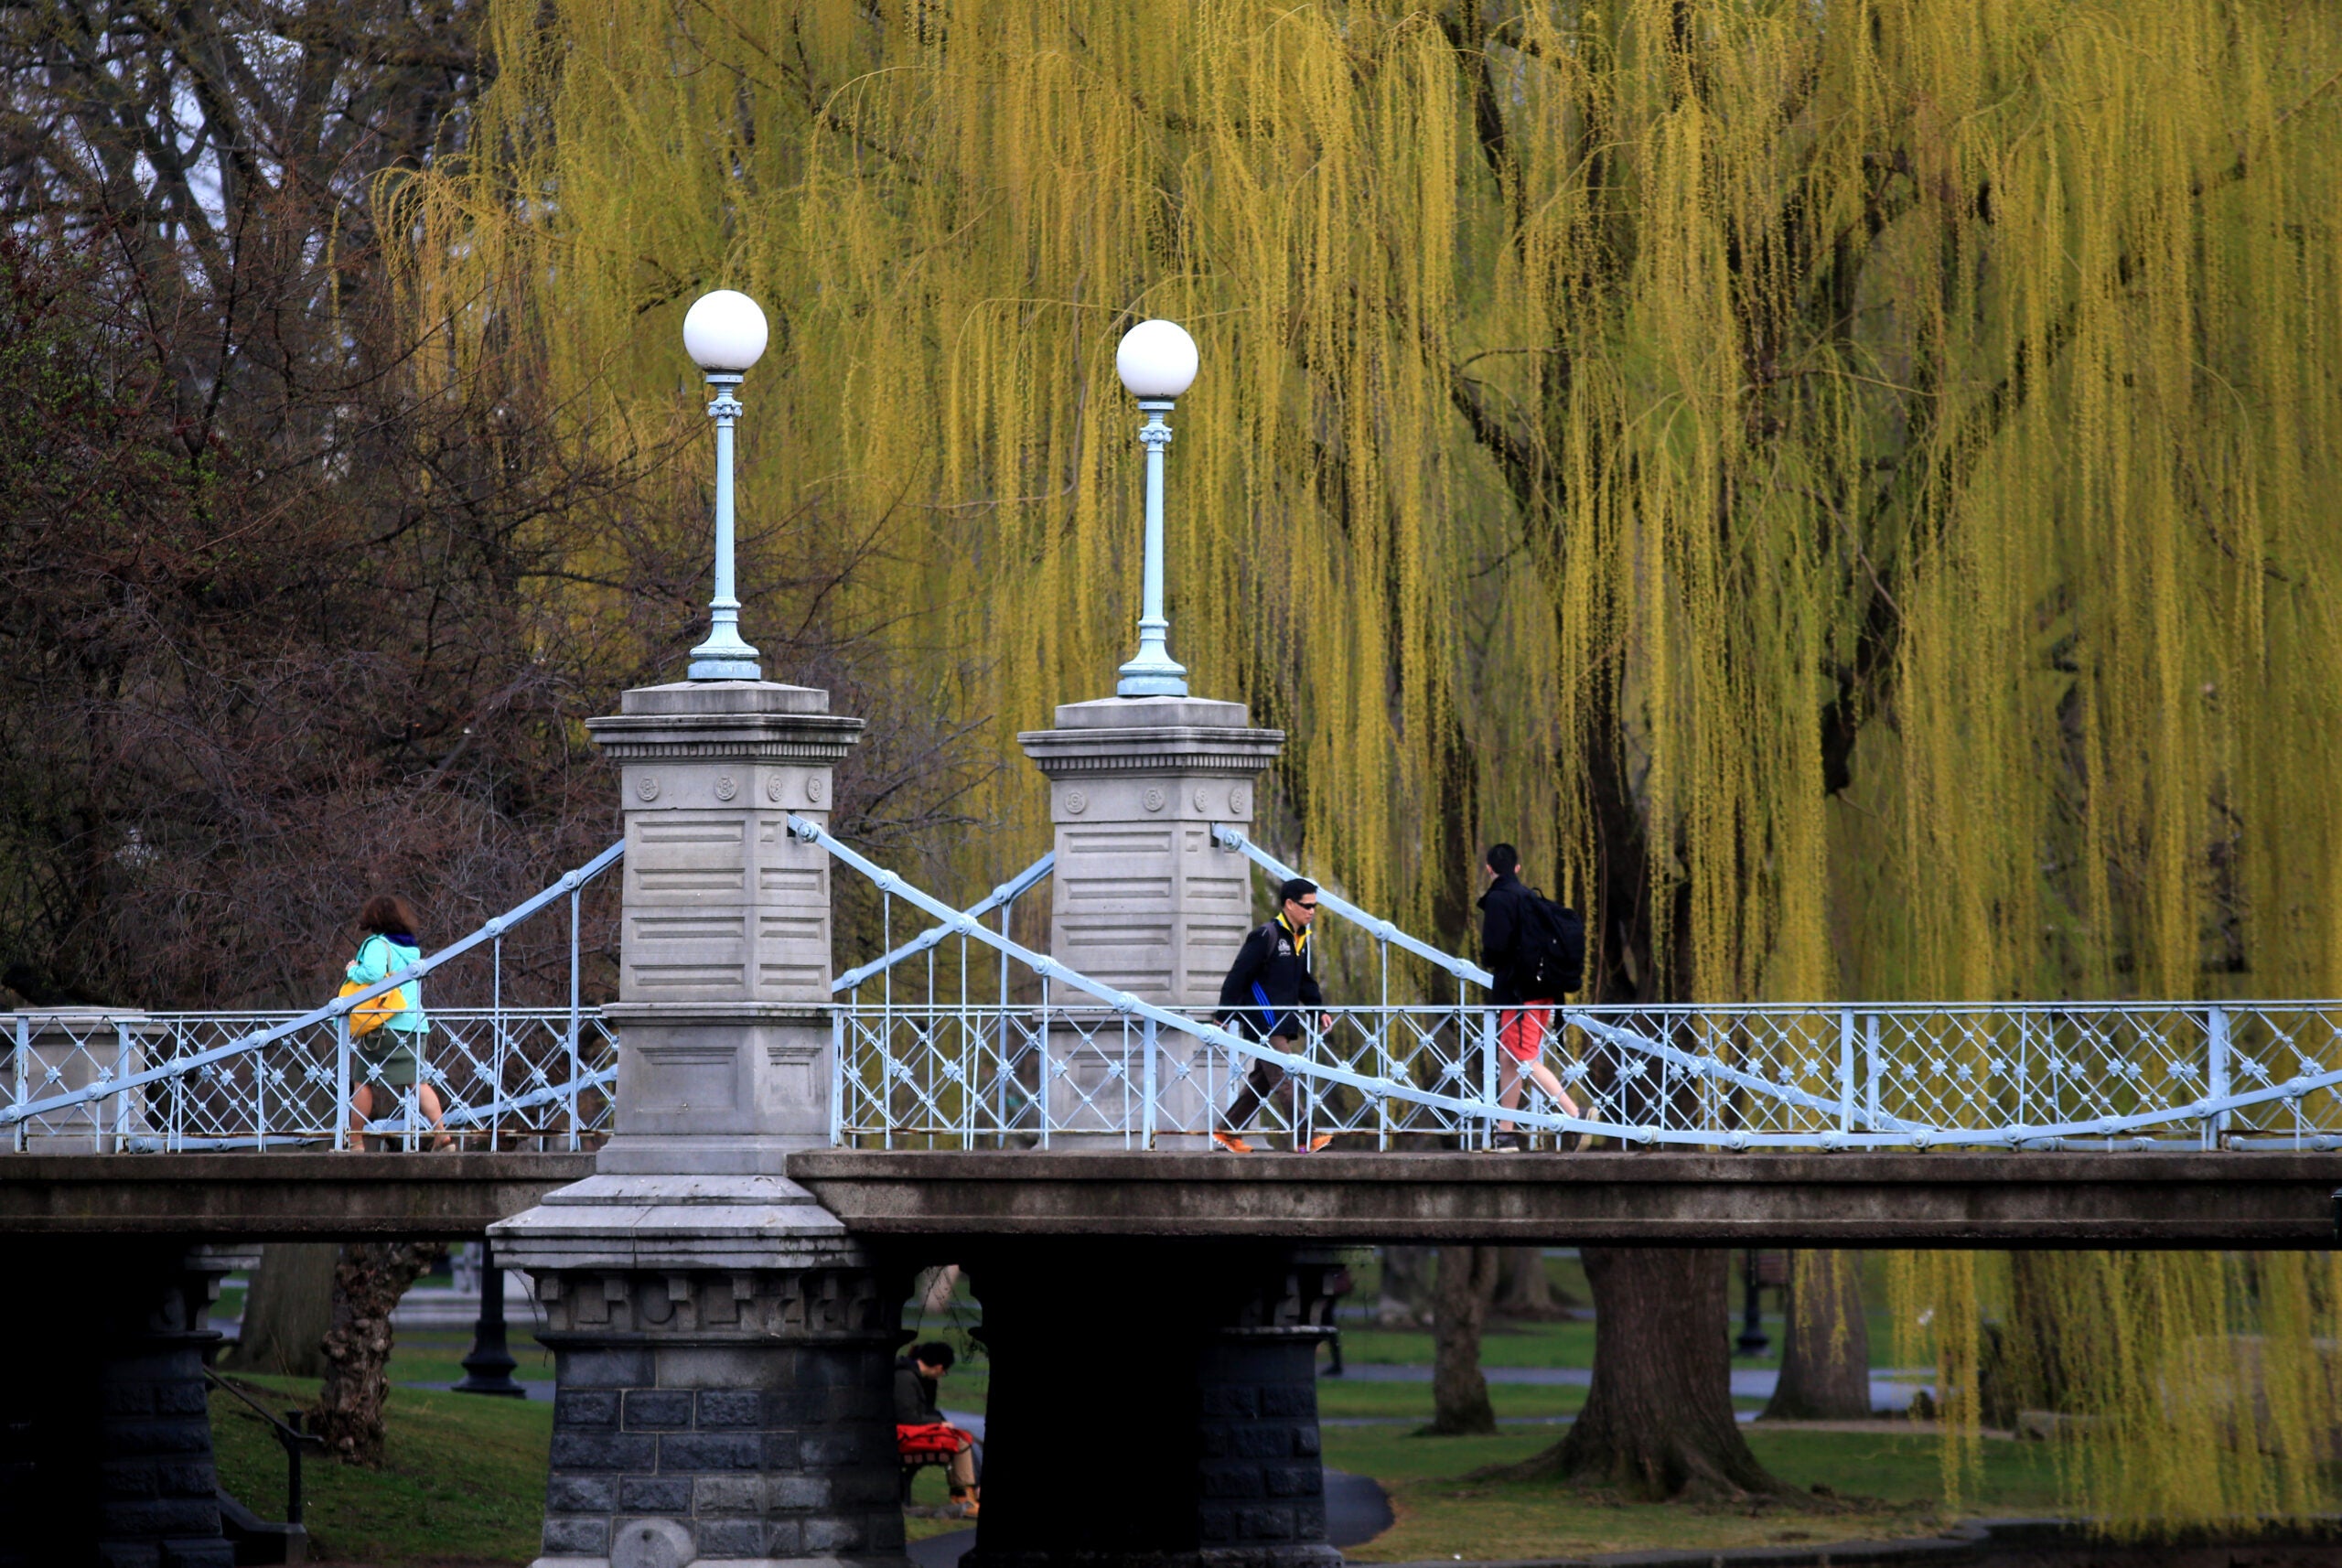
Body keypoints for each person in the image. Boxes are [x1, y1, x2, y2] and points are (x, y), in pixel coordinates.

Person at [1212, 877, 1336, 1154]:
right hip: (1264, 1022)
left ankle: (1227, 1132)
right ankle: (1307, 1137)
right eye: (1307, 906)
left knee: (1264, 1079)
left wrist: (1319, 1010)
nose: (1312, 911)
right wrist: (1223, 1014)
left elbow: (1303, 980)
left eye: (1315, 906)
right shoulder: (1265, 935)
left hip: (1282, 1019)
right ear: (1289, 904)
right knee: (1284, 1077)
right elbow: (1239, 975)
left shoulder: (1299, 938)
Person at [1477, 845, 1580, 1151]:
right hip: (1544, 991)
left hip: (1519, 994)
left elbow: (1494, 951)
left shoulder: (1499, 900)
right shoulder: (1529, 899)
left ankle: (1576, 1116)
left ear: (1489, 868)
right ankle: (1505, 1133)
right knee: (1508, 1058)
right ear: (1518, 868)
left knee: (1523, 1057)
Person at [343, 895, 449, 1149]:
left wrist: (352, 970)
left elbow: (374, 974)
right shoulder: (411, 949)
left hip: (385, 1025)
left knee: (364, 1079)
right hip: (414, 1024)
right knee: (417, 1080)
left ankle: (355, 1142)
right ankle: (442, 1135)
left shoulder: (378, 945)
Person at [895, 1340, 980, 1518]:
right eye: (945, 1371)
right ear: (939, 1367)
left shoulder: (919, 1378)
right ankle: (965, 1497)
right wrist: (939, 1424)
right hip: (903, 1435)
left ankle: (965, 1494)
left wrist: (940, 1423)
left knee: (963, 1437)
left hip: (911, 1432)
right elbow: (908, 1417)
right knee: (960, 1442)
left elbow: (926, 1412)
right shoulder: (905, 1378)